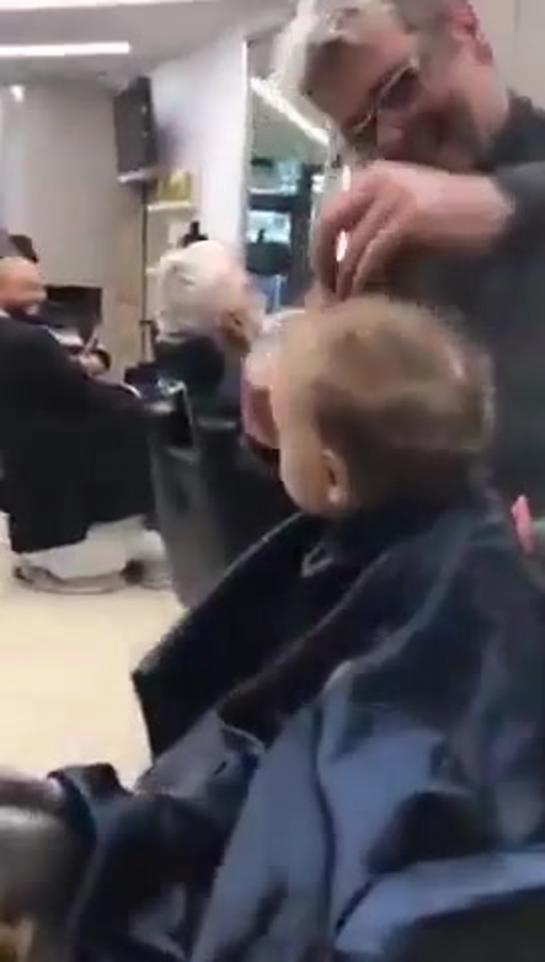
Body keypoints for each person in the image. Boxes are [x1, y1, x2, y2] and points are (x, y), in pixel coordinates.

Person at [2, 296, 545, 962]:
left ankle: (80, 833)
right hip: (311, 770)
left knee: (131, 884)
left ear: (334, 478)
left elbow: (313, 795)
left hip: (373, 841)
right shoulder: (435, 534)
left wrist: (118, 827)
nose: (264, 446)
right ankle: (78, 824)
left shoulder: (435, 616)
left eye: (282, 437)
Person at [277, 0, 545, 513]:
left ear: (465, 27)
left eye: (398, 88)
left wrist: (504, 202)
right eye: (360, 131)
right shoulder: (395, 242)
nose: (390, 137)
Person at [0, 256, 163, 593]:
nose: (39, 295)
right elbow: (74, 393)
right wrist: (132, 399)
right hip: (61, 460)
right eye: (28, 288)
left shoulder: (47, 325)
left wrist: (88, 365)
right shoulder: (26, 341)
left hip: (30, 462)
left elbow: (93, 363)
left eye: (40, 286)